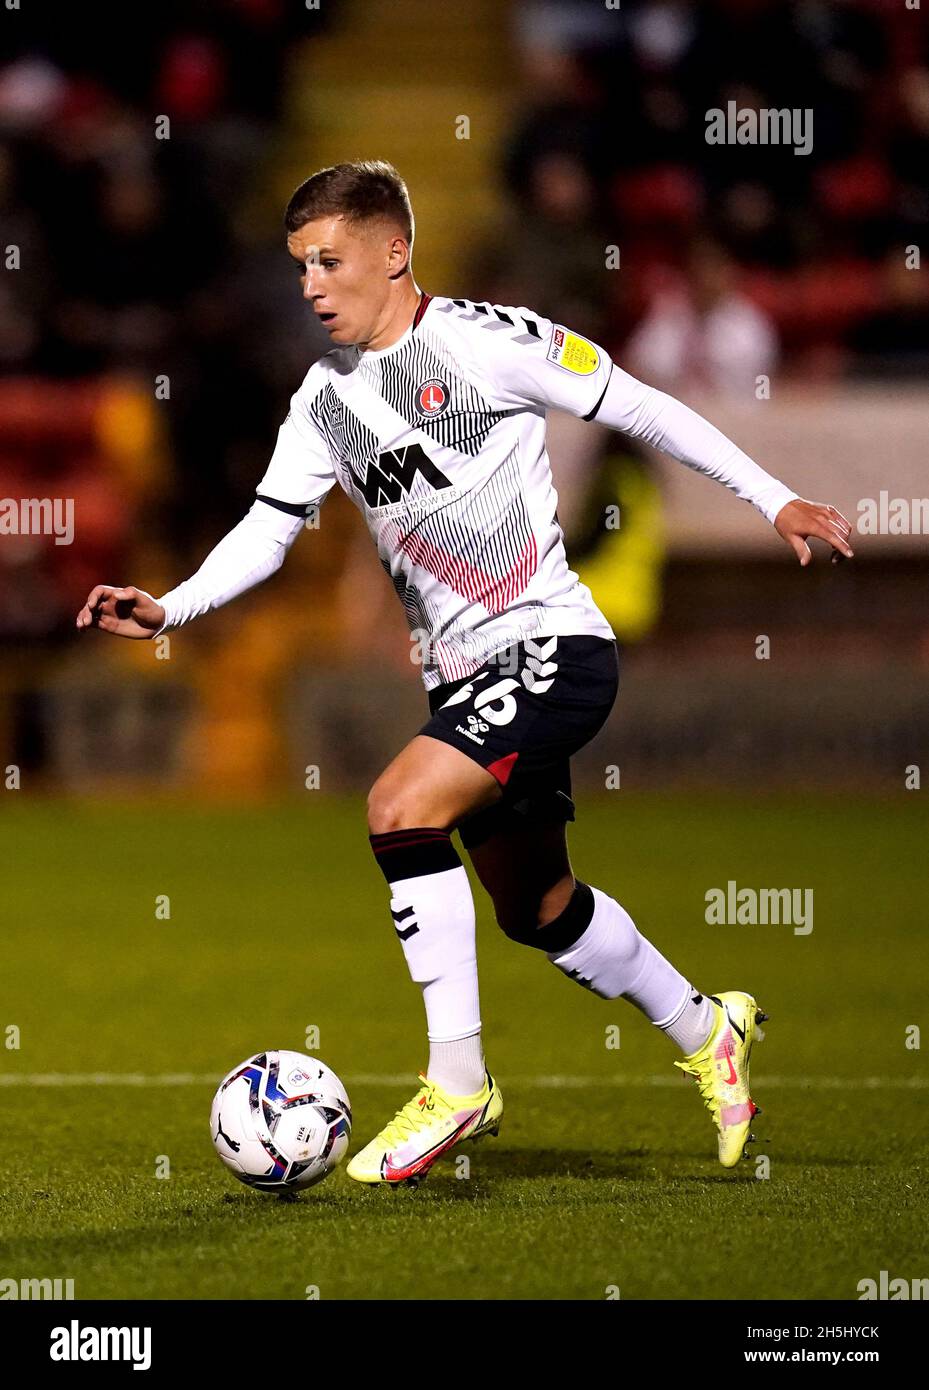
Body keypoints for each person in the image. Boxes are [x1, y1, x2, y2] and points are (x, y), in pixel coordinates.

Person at [76, 160, 854, 1187]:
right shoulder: (323, 400)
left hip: (551, 649)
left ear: (392, 252)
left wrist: (775, 497)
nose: (310, 285)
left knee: (399, 805)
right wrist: (169, 605)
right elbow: (267, 534)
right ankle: (707, 1026)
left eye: (329, 261)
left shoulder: (490, 342)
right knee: (537, 907)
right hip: (462, 678)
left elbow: (642, 407)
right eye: (300, 265)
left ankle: (458, 1081)